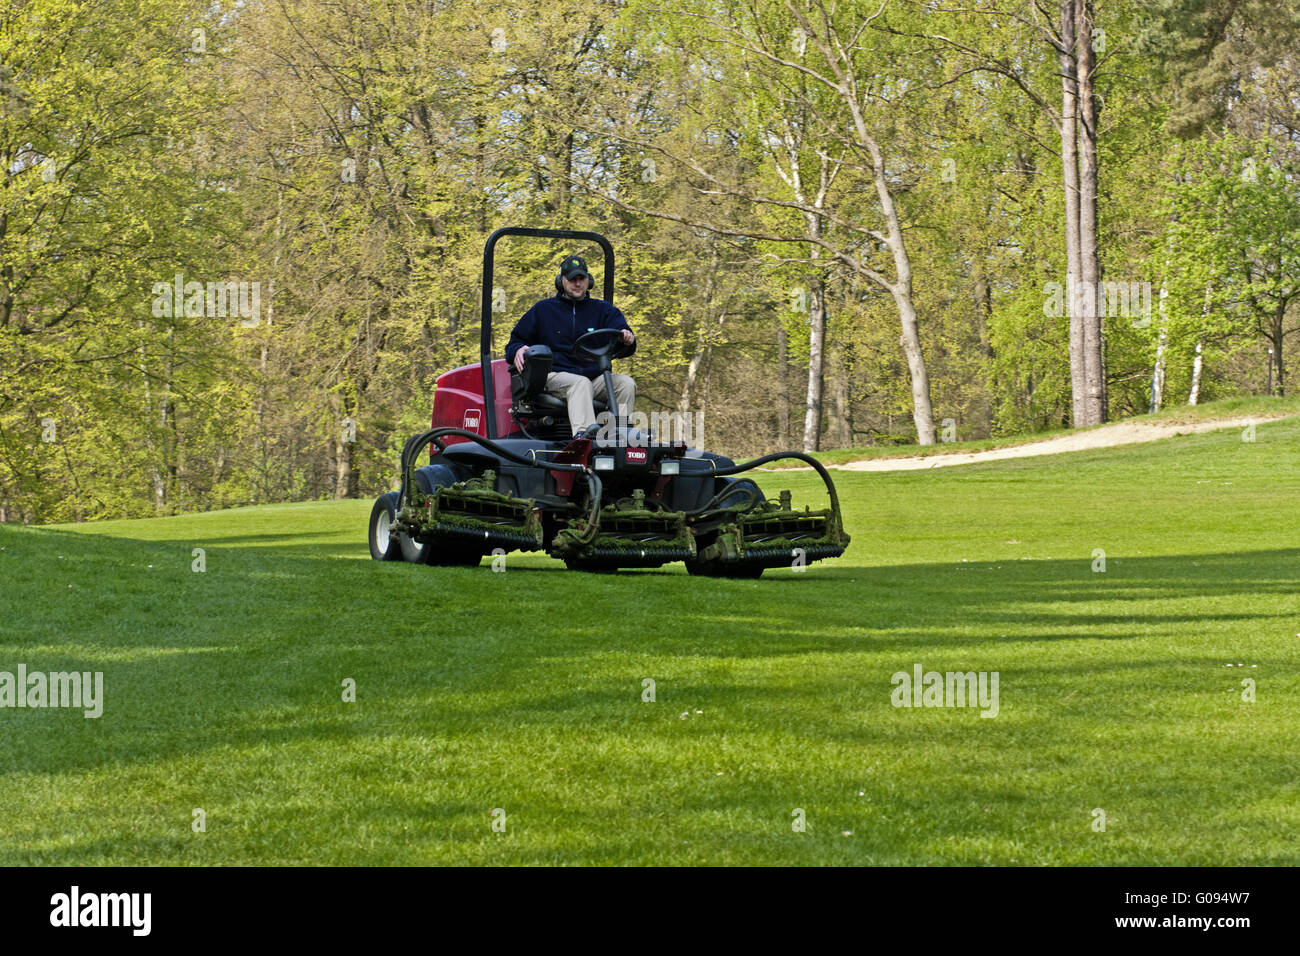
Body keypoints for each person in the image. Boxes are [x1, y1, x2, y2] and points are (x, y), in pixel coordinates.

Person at [505, 254, 636, 438]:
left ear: (588, 281)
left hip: (594, 377)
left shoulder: (604, 311)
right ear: (561, 281)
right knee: (580, 383)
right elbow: (514, 342)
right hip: (554, 376)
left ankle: (620, 438)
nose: (577, 283)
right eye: (572, 279)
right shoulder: (543, 310)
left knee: (625, 384)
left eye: (581, 279)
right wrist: (518, 349)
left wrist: (627, 338)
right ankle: (586, 438)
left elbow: (625, 340)